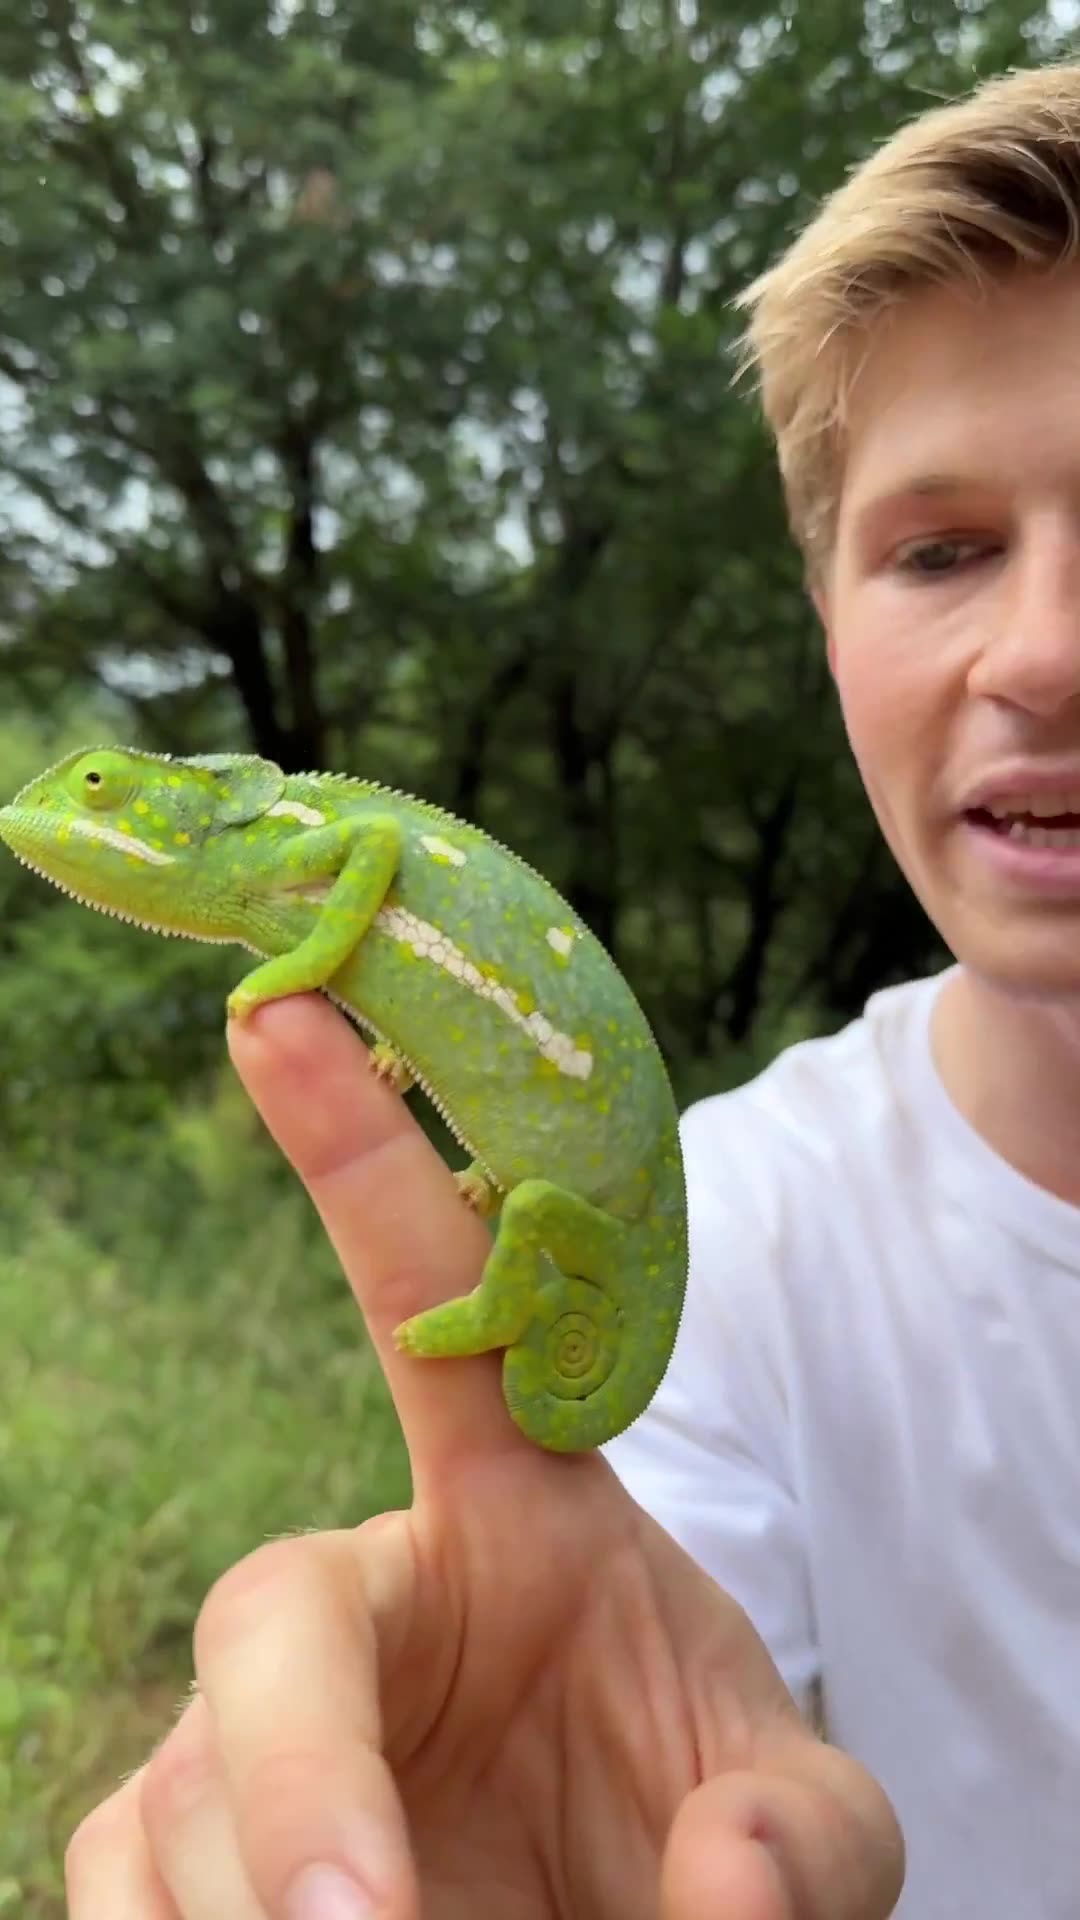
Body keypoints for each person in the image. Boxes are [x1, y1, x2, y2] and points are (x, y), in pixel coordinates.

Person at [63, 56, 1080, 1920]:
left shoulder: (309, 855)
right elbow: (626, 1561)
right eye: (943, 547)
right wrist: (522, 1763)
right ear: (828, 623)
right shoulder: (764, 1235)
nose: (1050, 652)